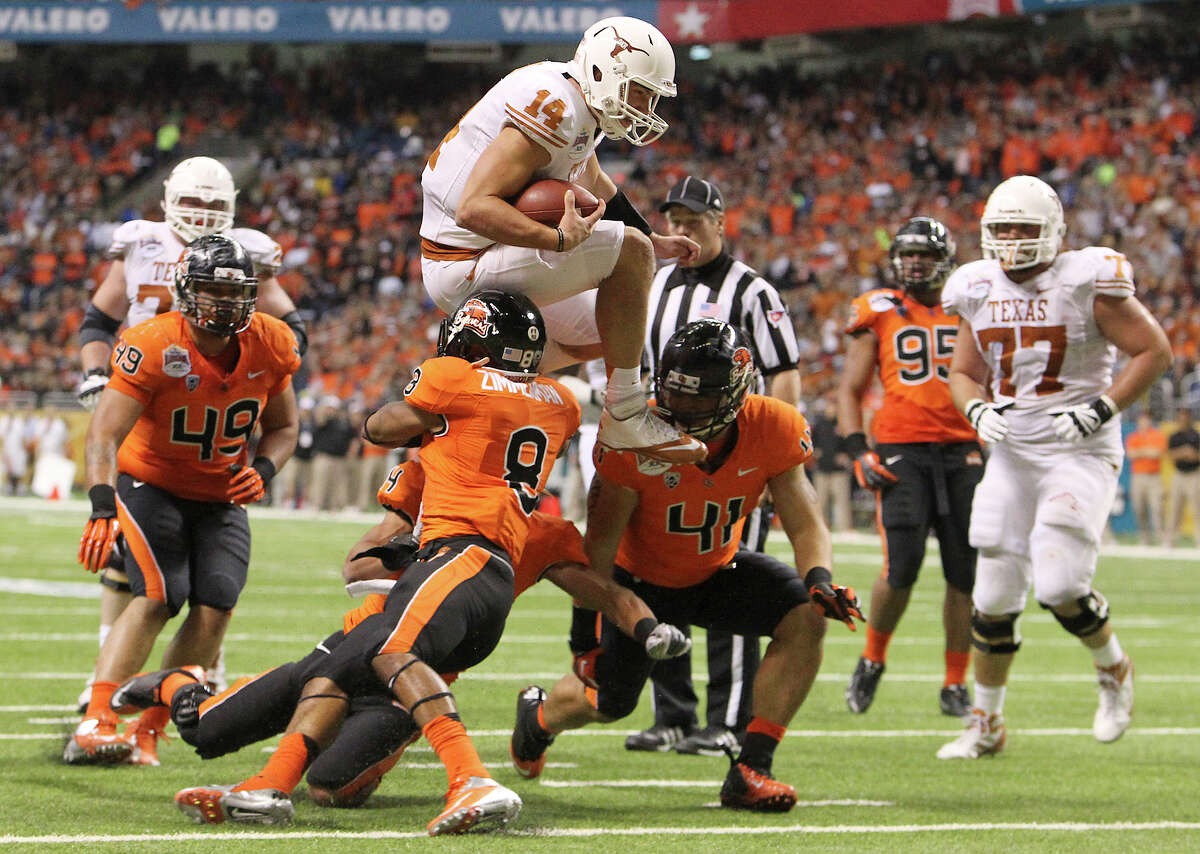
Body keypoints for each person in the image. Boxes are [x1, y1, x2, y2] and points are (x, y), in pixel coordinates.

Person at [165, 289, 578, 836]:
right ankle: (268, 785)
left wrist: (430, 418)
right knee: (340, 677)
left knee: (387, 649)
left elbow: (380, 427)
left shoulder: (451, 384)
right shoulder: (560, 401)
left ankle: (471, 778)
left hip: (463, 556)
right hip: (482, 578)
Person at [117, 454, 687, 825]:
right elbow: (356, 562)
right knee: (206, 731)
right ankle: (181, 686)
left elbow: (606, 593)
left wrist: (648, 628)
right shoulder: (434, 479)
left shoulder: (542, 533)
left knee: (335, 789)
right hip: (353, 642)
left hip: (408, 683)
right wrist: (403, 555)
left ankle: (274, 784)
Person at [509, 320, 862, 813]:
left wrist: (820, 580)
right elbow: (600, 547)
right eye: (675, 394)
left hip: (717, 570)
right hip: (638, 586)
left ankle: (751, 767)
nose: (683, 410)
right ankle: (540, 717)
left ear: (737, 394)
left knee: (806, 614)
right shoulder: (634, 434)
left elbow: (805, 522)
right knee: (610, 701)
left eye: (699, 399)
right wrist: (584, 638)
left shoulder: (774, 426)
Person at [937, 175, 1170, 759]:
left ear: (1055, 234)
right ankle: (986, 724)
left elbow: (1155, 351)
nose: (1013, 240)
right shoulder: (976, 286)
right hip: (1013, 452)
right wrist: (975, 407)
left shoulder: (1085, 279)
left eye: (1025, 228)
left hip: (1079, 450)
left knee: (1062, 583)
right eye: (1003, 228)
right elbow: (962, 372)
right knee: (991, 593)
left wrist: (1102, 406)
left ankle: (1113, 669)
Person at [74, 156, 308, 710]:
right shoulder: (140, 245)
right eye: (193, 202)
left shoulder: (247, 261)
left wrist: (260, 362)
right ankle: (105, 689)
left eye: (212, 204)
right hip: (144, 386)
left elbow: (288, 336)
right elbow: (97, 322)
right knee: (147, 579)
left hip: (210, 400)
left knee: (209, 592)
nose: (202, 214)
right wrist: (94, 369)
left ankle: (176, 685)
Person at [419, 16, 705, 466]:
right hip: (462, 258)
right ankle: (625, 416)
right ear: (601, 72)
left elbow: (592, 179)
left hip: (482, 251)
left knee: (609, 332)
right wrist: (553, 237)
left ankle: (464, 397)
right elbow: (473, 207)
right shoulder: (556, 106)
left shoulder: (577, 102)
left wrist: (654, 236)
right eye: (639, 91)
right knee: (631, 255)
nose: (646, 106)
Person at [617, 175, 802, 756]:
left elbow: (784, 373)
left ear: (720, 222)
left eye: (693, 221)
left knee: (730, 580)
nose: (682, 230)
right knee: (655, 579)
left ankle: (725, 719)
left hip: (733, 461)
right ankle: (671, 713)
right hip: (662, 459)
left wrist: (773, 466)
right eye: (674, 221)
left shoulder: (753, 291)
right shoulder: (657, 281)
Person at [839, 217, 983, 718]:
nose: (915, 261)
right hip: (903, 447)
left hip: (964, 446)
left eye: (925, 253)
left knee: (964, 573)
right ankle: (873, 659)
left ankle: (955, 683)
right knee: (901, 568)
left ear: (945, 258)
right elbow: (851, 388)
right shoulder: (878, 309)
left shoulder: (970, 306)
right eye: (908, 252)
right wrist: (858, 449)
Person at [1125, 411, 1166, 545]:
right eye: (1141, 420)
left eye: (1146, 420)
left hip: (1154, 477)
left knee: (1157, 507)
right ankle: (1144, 538)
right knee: (1139, 508)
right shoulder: (1133, 437)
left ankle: (1161, 538)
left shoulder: (1157, 435)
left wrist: (1141, 451)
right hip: (1138, 477)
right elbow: (1131, 454)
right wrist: (1147, 450)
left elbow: (1157, 453)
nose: (1144, 423)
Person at [1165, 407, 1200, 547]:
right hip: (1179, 475)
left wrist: (1191, 454)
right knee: (1174, 509)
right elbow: (1170, 455)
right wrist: (1184, 452)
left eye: (1185, 416)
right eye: (1181, 417)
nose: (1183, 419)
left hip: (1194, 475)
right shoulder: (1174, 436)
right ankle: (1169, 541)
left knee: (1197, 509)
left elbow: (1196, 455)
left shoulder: (1196, 435)